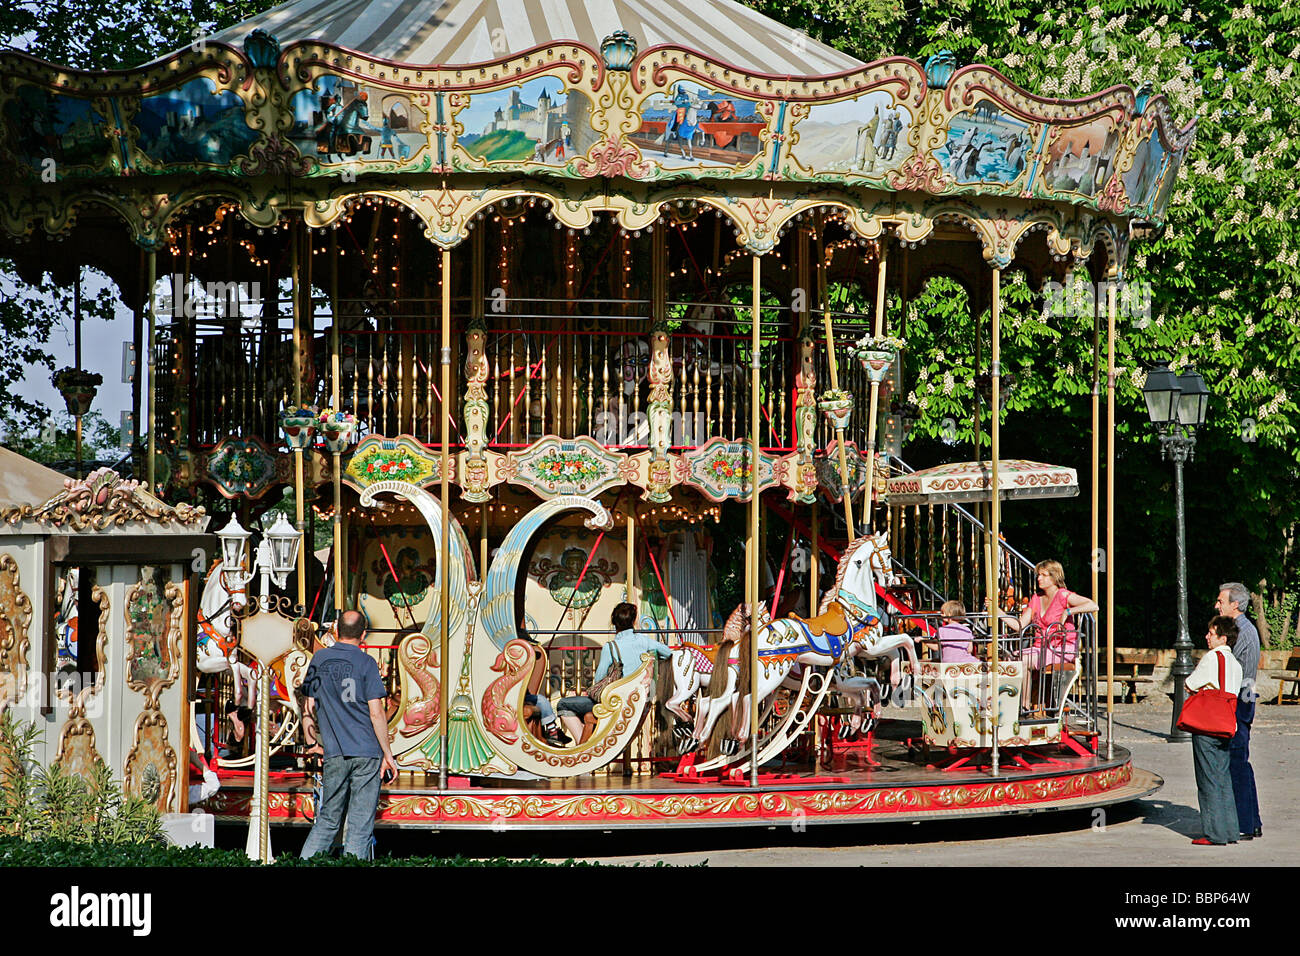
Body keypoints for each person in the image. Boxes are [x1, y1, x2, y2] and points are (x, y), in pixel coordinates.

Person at [299, 609, 398, 859]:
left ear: (336, 631)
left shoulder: (319, 659)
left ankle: (304, 863)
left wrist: (312, 744)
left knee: (328, 820)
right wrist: (388, 754)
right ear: (363, 634)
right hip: (366, 752)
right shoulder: (366, 663)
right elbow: (376, 714)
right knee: (359, 826)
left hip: (334, 752)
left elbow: (307, 706)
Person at [555, 602, 672, 744]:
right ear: (633, 621)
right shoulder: (644, 641)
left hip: (616, 702)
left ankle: (583, 745)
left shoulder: (611, 647)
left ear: (614, 622)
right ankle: (586, 743)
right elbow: (667, 653)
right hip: (638, 701)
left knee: (563, 704)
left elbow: (599, 678)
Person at [1187, 615, 1243, 845]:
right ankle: (1230, 830)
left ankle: (1215, 833)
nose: (1207, 637)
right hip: (1227, 724)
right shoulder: (1236, 663)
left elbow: (1190, 683)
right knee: (1223, 778)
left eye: (1211, 633)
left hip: (1208, 725)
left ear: (1222, 637)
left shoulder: (1212, 658)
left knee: (1207, 779)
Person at [1215, 582, 1263, 840]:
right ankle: (1251, 821)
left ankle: (1245, 822)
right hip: (1243, 698)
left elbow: (1235, 671)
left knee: (1236, 763)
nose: (1217, 605)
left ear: (1235, 604)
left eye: (1221, 601)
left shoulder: (1243, 632)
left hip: (1240, 701)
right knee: (1240, 762)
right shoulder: (1245, 629)